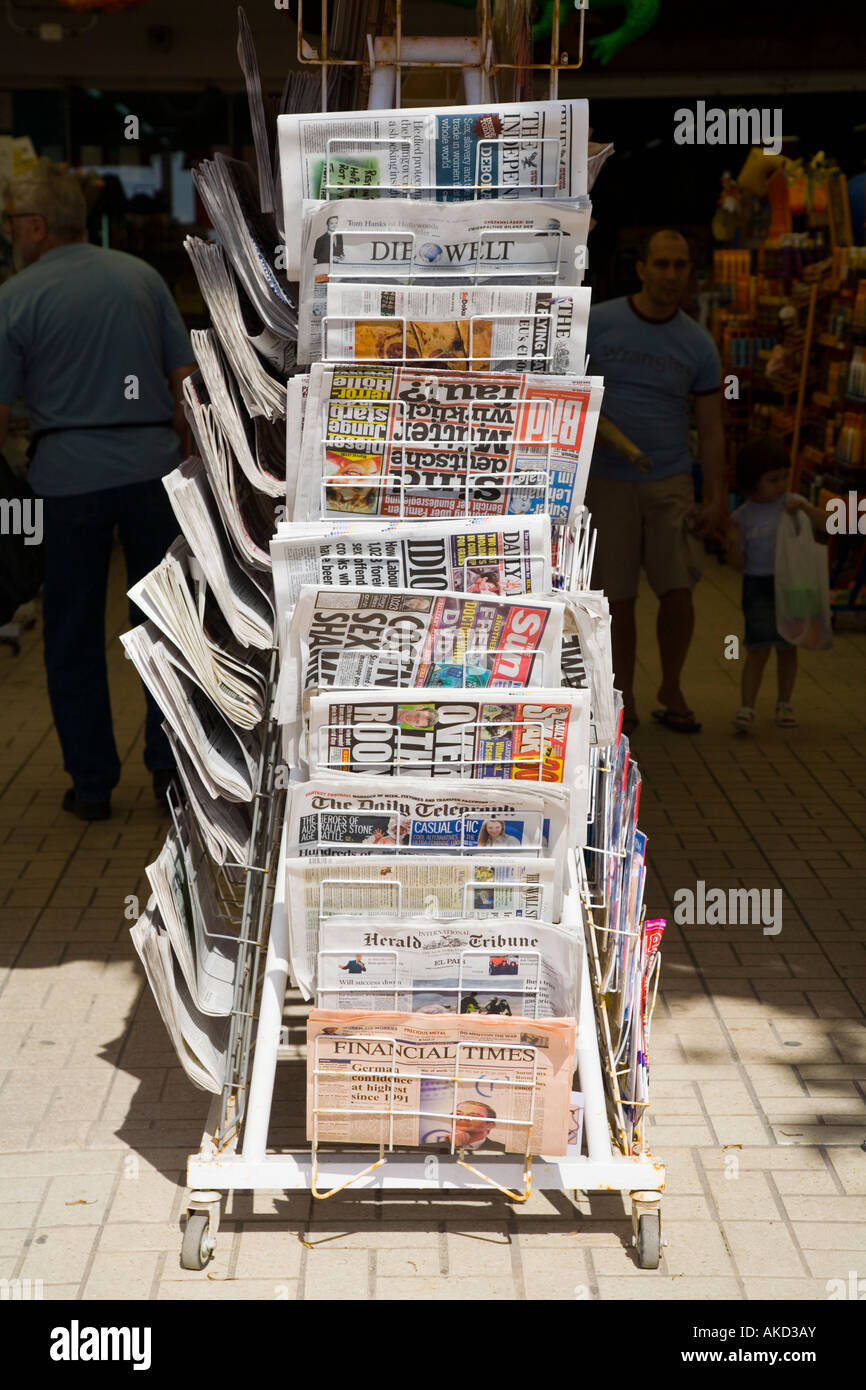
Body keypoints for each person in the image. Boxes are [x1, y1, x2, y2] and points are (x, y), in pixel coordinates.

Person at [0, 163, 195, 819]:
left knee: (73, 632)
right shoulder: (141, 278)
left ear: (35, 226)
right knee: (164, 624)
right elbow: (184, 385)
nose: (9, 235)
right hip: (154, 473)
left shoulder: (16, 297)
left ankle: (91, 785)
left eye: (9, 222)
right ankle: (170, 770)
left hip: (65, 483)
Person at [585, 229, 728, 735]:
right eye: (662, 264)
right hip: (607, 481)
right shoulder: (598, 323)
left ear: (690, 272)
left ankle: (672, 686)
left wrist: (715, 498)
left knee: (678, 589)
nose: (671, 275)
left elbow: (710, 430)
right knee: (616, 597)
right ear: (641, 268)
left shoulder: (698, 343)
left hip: (669, 480)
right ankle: (623, 697)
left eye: (680, 265)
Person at [727, 435, 828, 733]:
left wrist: (807, 511)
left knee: (788, 647)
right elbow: (738, 564)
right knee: (757, 648)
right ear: (751, 483)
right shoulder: (742, 516)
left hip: (791, 584)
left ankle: (785, 703)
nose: (781, 485)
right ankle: (747, 706)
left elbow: (824, 523)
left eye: (784, 477)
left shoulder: (792, 503)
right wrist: (733, 543)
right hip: (757, 584)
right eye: (773, 479)